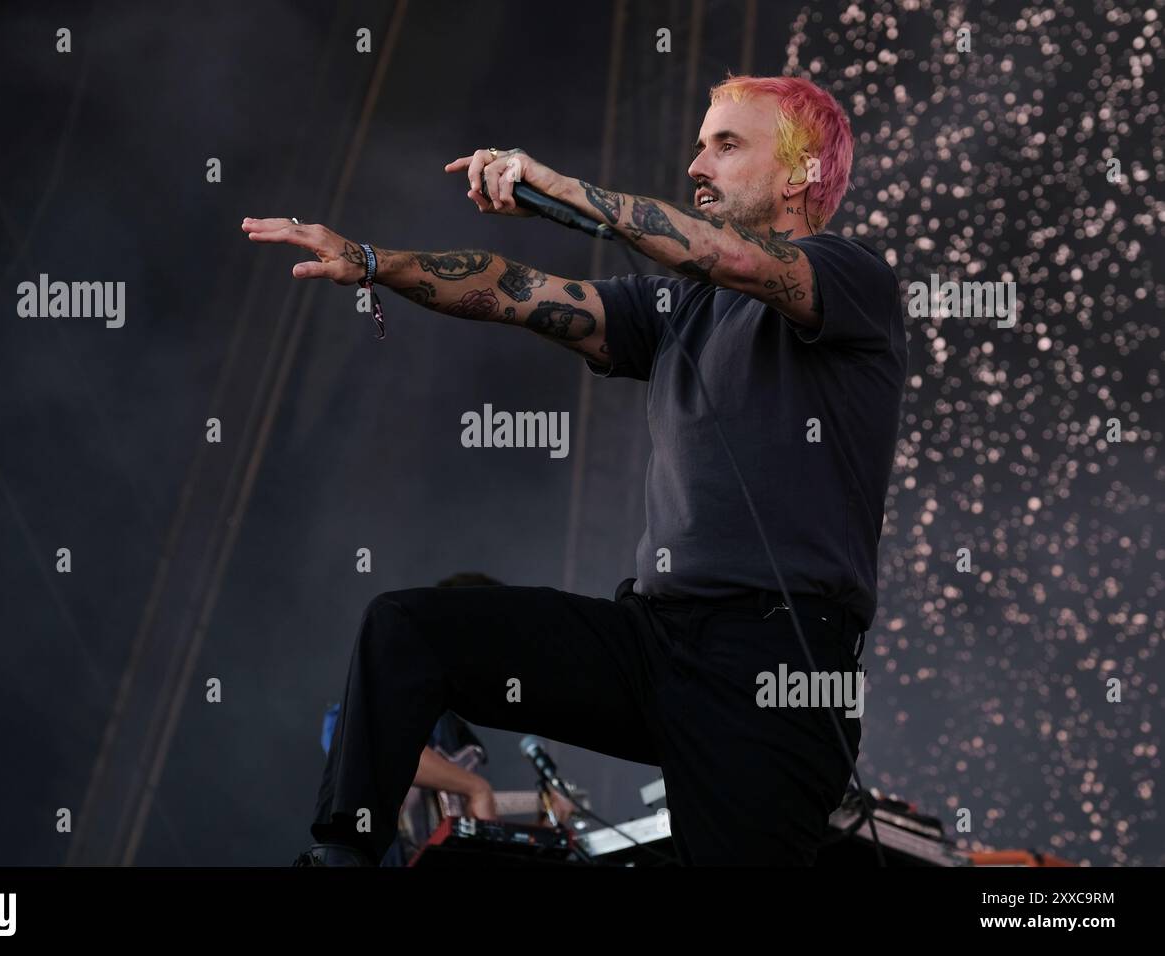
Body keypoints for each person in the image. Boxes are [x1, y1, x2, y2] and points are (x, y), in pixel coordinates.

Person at [249, 73, 907, 865]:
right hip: (656, 639)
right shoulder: (679, 310)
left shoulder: (851, 275)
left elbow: (730, 257)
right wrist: (370, 260)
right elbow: (516, 291)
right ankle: (340, 859)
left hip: (776, 674)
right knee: (407, 630)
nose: (697, 164)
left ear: (800, 173)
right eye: (699, 144)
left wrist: (563, 192)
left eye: (726, 144)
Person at [312, 573, 577, 867]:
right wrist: (473, 786)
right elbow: (369, 743)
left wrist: (545, 829)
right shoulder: (386, 687)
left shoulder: (460, 735)